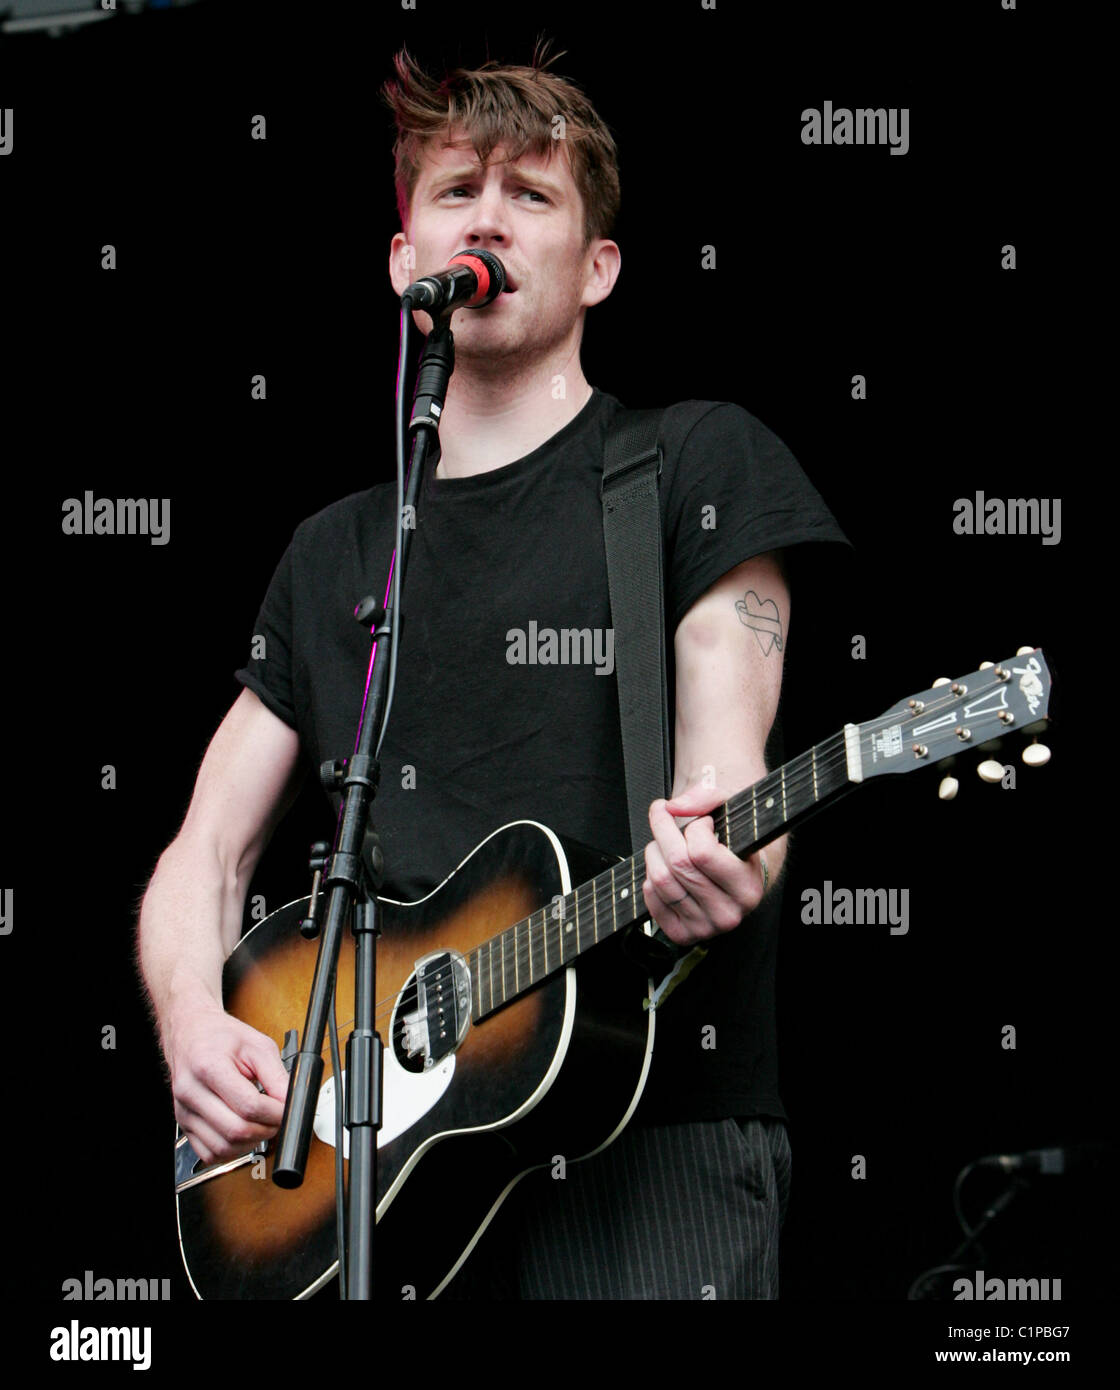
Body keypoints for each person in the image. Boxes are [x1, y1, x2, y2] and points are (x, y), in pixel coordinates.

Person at [138, 44, 848, 1300]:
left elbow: (727, 763)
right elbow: (206, 850)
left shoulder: (691, 466)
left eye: (532, 194)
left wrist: (726, 847)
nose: (488, 217)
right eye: (456, 188)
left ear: (598, 268)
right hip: (379, 1162)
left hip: (649, 1129)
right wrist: (195, 1019)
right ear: (403, 259)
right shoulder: (335, 548)